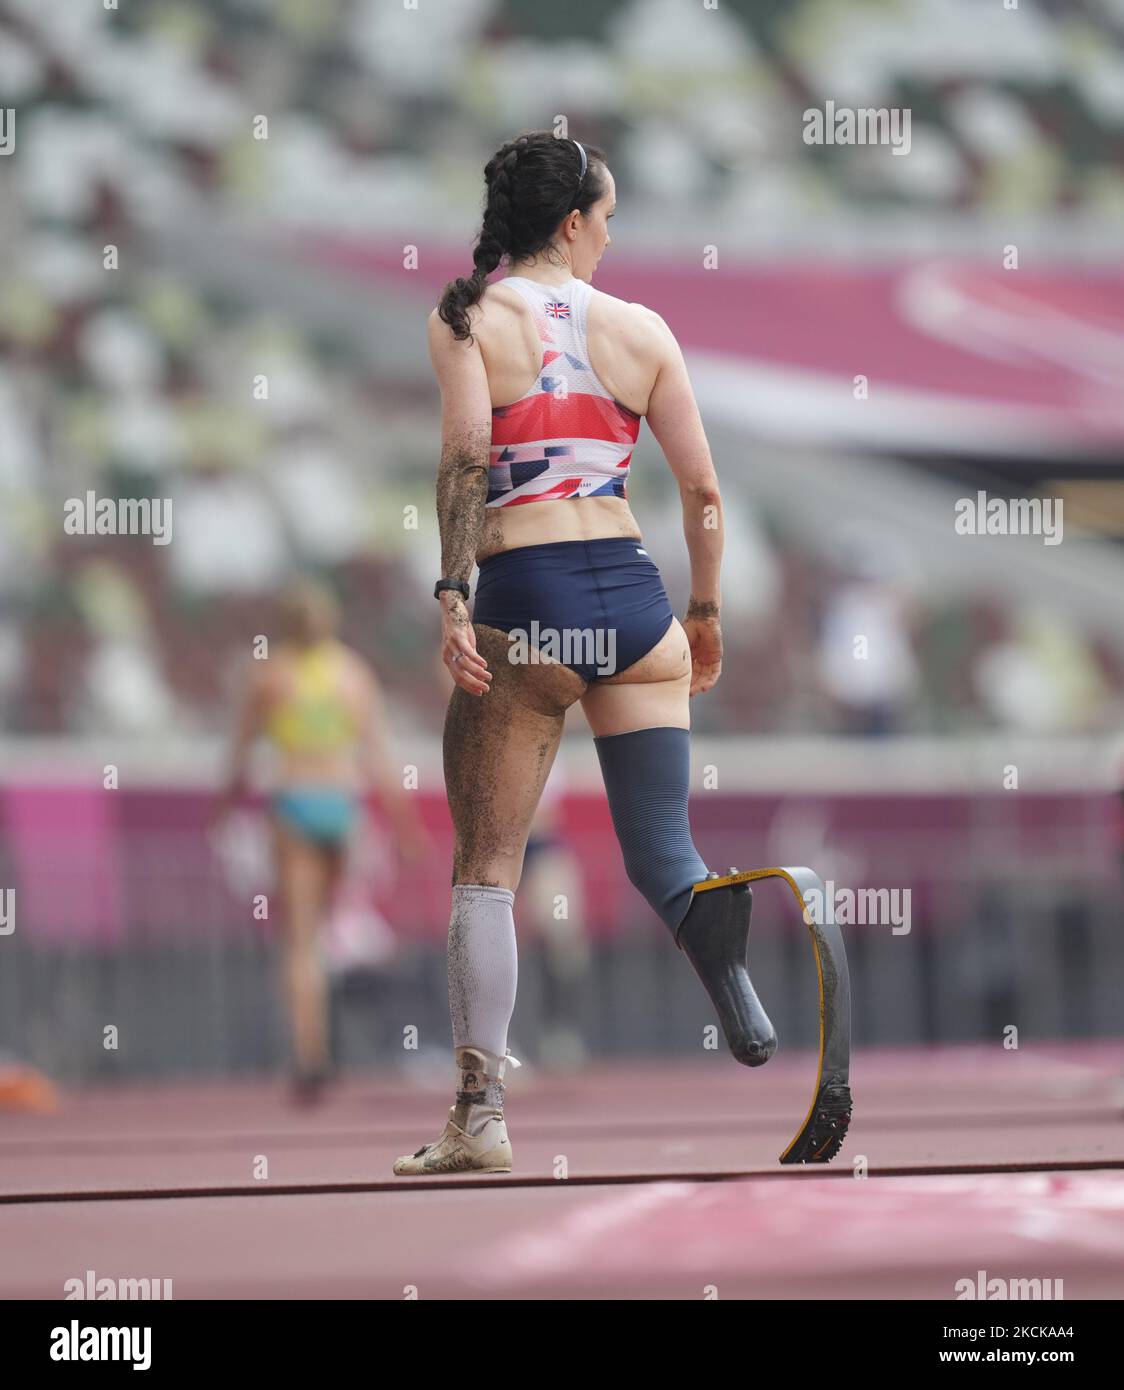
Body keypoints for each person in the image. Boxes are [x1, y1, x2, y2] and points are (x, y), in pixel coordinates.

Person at [394, 131, 773, 1175]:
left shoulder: (468, 313)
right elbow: (700, 494)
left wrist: (453, 594)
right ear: (571, 222)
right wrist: (702, 612)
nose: (610, 237)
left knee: (486, 871)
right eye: (606, 219)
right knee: (662, 853)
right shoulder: (643, 328)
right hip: (634, 598)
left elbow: (469, 454)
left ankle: (481, 1117)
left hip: (530, 600)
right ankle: (733, 949)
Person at [219, 578, 428, 1102]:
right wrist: (406, 829)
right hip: (342, 806)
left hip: (294, 801)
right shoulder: (352, 674)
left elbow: (241, 757)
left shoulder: (269, 675)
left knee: (301, 941)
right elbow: (379, 757)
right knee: (333, 927)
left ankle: (311, 1053)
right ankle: (333, 1034)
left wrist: (218, 809)